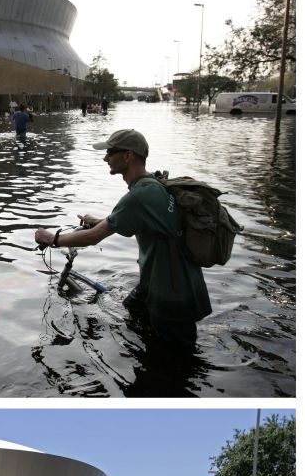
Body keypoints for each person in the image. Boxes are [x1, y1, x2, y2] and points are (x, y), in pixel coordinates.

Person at [34, 128, 212, 352]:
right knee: (133, 312)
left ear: (127, 156)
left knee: (178, 362)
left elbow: (93, 237)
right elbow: (139, 219)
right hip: (162, 284)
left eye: (110, 152)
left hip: (171, 294)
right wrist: (100, 220)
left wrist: (52, 238)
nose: (105, 158)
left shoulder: (138, 196)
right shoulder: (152, 185)